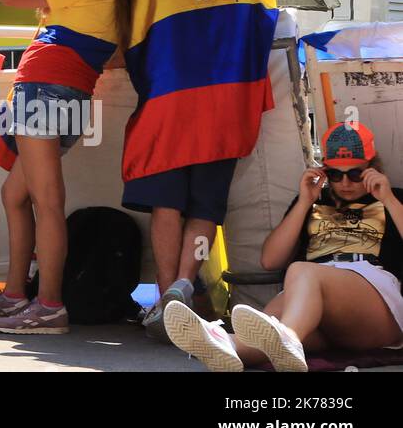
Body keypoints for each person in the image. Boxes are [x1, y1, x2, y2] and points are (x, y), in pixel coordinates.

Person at [0, 0, 125, 335]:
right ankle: (14, 294)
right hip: (64, 95)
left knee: (47, 203)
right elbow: (114, 56)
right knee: (16, 194)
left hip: (46, 92)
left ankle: (49, 306)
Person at [164, 121, 403, 372]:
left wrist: (387, 198)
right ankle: (225, 344)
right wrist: (303, 202)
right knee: (267, 329)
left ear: (372, 169)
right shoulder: (312, 202)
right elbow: (270, 260)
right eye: (334, 174)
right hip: (317, 303)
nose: (344, 182)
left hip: (375, 303)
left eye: (355, 174)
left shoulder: (392, 197)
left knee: (301, 272)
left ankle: (286, 337)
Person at [122, 0, 278, 341]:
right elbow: (264, 25)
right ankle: (183, 284)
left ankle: (166, 301)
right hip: (225, 98)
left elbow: (134, 35)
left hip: (169, 96)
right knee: (205, 208)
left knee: (166, 202)